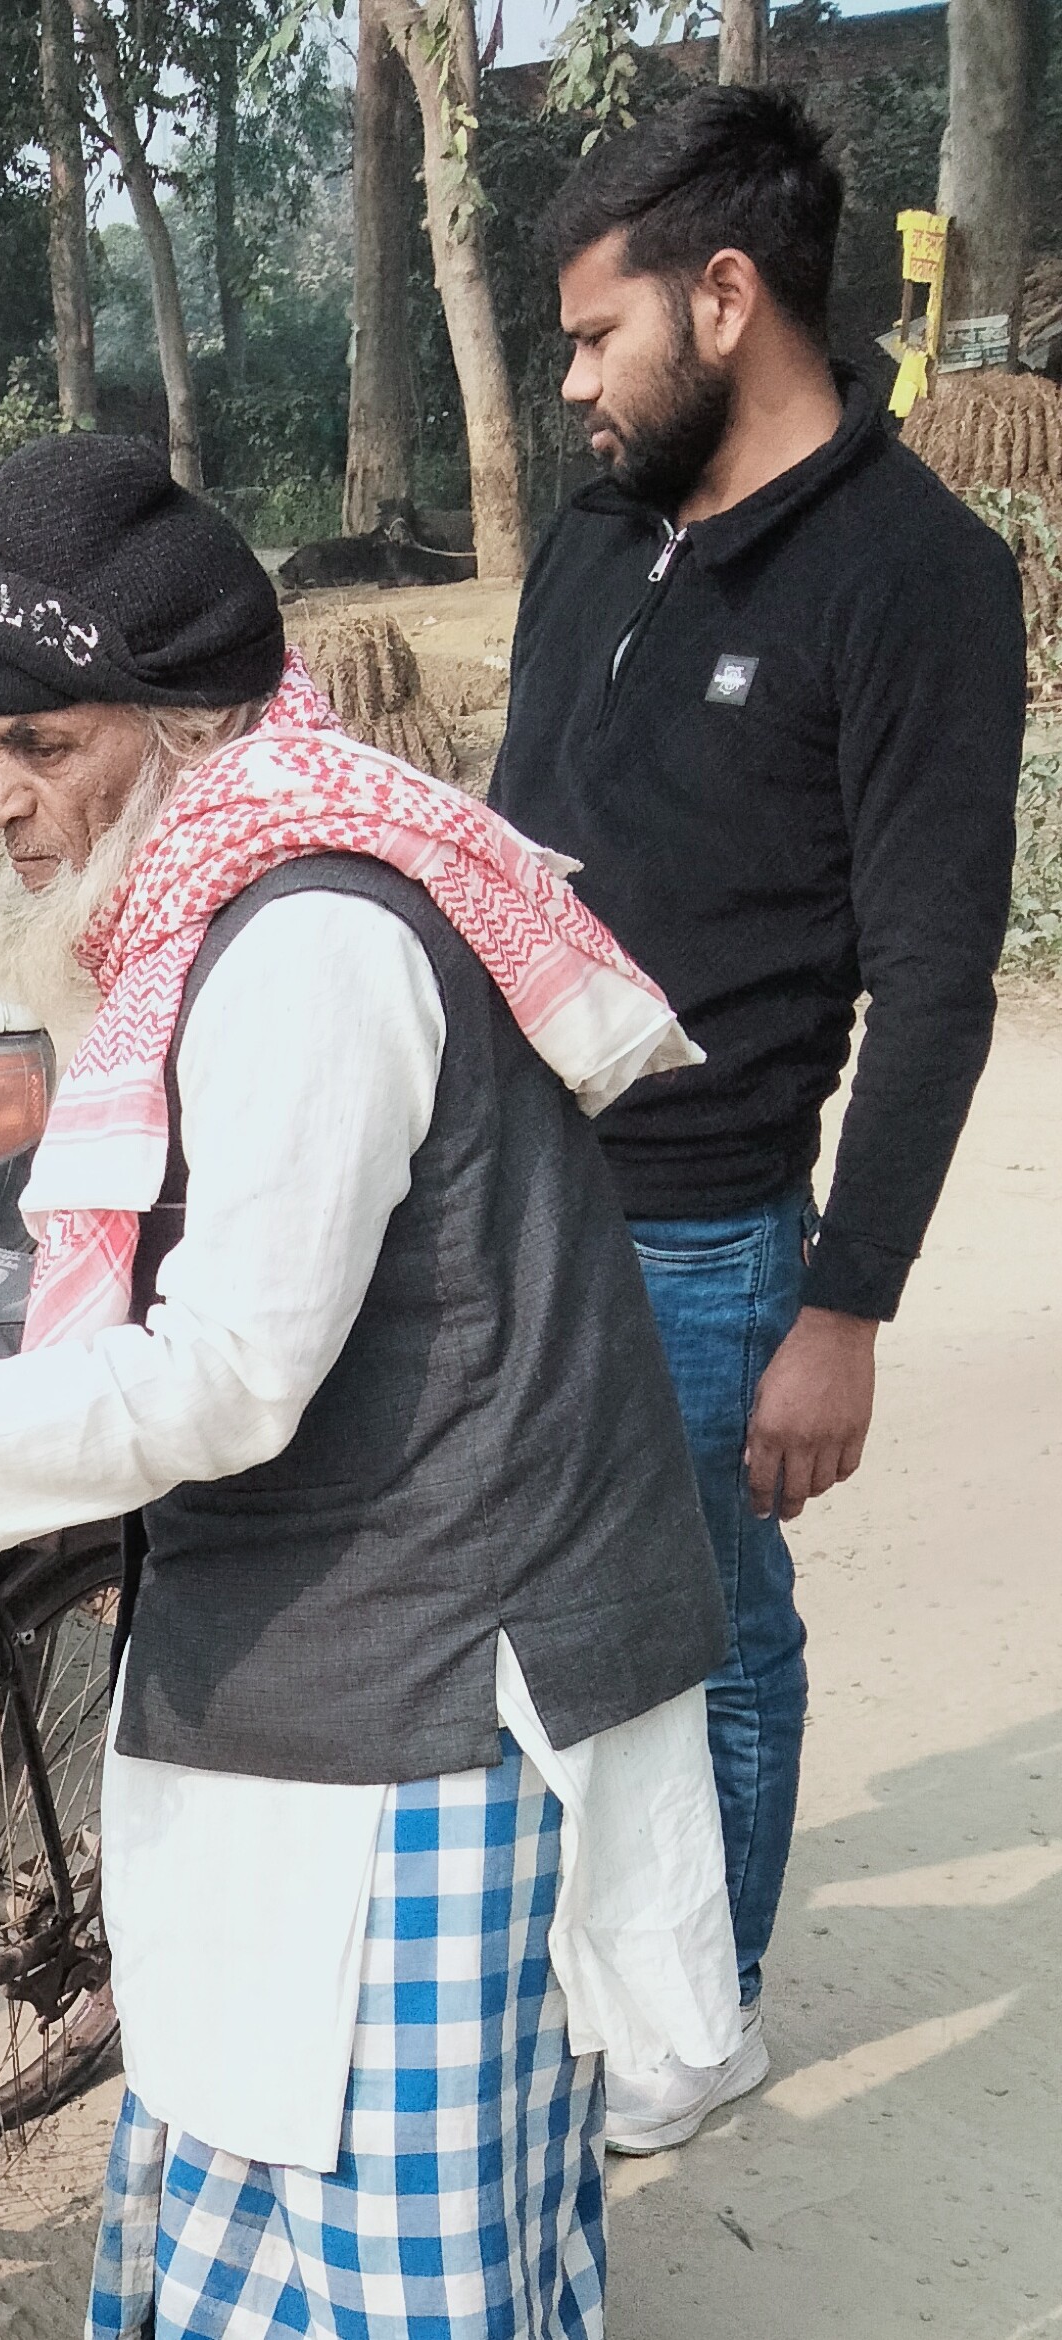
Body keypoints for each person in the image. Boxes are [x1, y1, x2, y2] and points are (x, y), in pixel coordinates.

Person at [0, 434, 741, 2337]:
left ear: (185, 733)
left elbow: (239, 1371)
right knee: (255, 2194)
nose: (2, 804)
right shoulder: (232, 917)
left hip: (430, 1691)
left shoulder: (312, 942)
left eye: (45, 749)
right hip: (345, 1655)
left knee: (405, 2261)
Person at [496, 86, 1025, 2152]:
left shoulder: (916, 576)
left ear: (727, 298)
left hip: (708, 1237)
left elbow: (940, 976)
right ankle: (584, 1964)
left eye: (594, 334)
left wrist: (846, 1303)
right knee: (515, 1610)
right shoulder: (602, 526)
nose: (572, 381)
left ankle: (687, 2024)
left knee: (706, 1634)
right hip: (503, 1193)